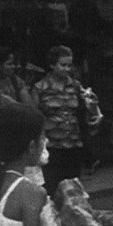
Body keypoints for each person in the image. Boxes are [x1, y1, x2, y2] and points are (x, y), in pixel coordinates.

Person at [32, 45, 95, 195]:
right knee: (52, 189)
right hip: (52, 146)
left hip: (73, 144)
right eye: (63, 65)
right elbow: (34, 116)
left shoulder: (75, 85)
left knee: (73, 191)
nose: (67, 69)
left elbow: (85, 111)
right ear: (52, 65)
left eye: (69, 65)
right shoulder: (40, 88)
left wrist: (92, 108)